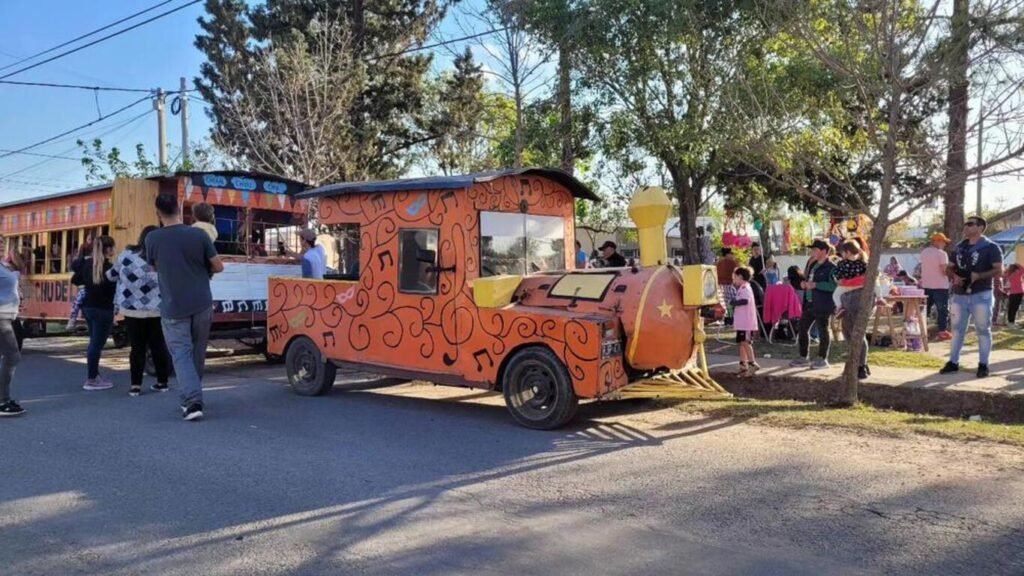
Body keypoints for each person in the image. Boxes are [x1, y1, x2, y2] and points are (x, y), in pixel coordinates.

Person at [147, 193, 225, 421]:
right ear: (180, 210)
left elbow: (154, 268)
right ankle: (191, 398)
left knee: (181, 354)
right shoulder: (199, 234)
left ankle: (192, 401)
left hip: (173, 304)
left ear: (158, 213)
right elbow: (218, 267)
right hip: (201, 302)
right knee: (197, 353)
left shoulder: (153, 238)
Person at [107, 226, 170, 397]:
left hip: (132, 309)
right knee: (158, 346)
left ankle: (135, 385)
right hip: (157, 309)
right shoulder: (163, 258)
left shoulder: (126, 256)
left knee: (137, 348)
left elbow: (111, 275)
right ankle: (162, 382)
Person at [941, 215, 1003, 378]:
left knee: (983, 330)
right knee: (957, 330)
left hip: (981, 294)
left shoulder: (991, 247)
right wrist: (953, 277)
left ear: (981, 227)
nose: (966, 227)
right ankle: (953, 362)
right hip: (959, 295)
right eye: (965, 224)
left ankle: (983, 365)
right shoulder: (959, 247)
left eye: (970, 224)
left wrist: (979, 275)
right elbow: (949, 268)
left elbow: (999, 270)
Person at [71, 236, 117, 391]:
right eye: (113, 247)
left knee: (93, 342)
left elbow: (75, 280)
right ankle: (91, 379)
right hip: (104, 309)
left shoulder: (86, 264)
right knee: (97, 345)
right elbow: (114, 288)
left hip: (88, 307)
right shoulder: (109, 267)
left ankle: (95, 375)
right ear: (108, 249)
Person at [791, 239, 837, 369]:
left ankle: (822, 358)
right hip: (809, 303)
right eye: (813, 250)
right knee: (802, 328)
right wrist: (804, 284)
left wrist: (817, 285)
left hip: (823, 304)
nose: (813, 252)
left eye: (815, 249)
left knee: (823, 331)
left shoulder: (832, 268)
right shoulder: (813, 265)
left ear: (824, 251)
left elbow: (834, 286)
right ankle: (803, 356)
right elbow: (808, 279)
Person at [0, 238, 24, 416]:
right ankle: (2, 400)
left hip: (9, 315)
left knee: (10, 356)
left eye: (2, 241)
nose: (1, 245)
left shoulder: (3, 265)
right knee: (12, 356)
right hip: (1, 317)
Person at [920, 233, 952, 340]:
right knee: (942, 309)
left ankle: (920, 328)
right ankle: (942, 331)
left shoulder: (924, 252)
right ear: (937, 241)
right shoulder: (942, 254)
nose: (944, 244)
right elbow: (944, 271)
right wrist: (952, 274)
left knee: (925, 309)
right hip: (940, 285)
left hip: (927, 284)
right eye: (943, 242)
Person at [731, 266, 760, 376]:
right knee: (742, 343)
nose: (734, 280)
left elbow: (745, 301)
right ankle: (743, 364)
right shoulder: (742, 288)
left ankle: (752, 363)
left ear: (740, 277)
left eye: (735, 278)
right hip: (741, 322)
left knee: (746, 342)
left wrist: (734, 302)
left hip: (746, 322)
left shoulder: (745, 288)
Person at [66, 233, 94, 332]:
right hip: (93, 288)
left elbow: (73, 275)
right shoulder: (95, 262)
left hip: (82, 287)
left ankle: (72, 319)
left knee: (77, 303)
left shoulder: (77, 262)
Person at [833, 240, 868, 319]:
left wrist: (838, 279)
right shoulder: (862, 262)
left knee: (835, 295)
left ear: (848, 252)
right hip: (860, 284)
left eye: (842, 252)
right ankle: (880, 297)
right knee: (876, 284)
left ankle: (839, 307)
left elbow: (837, 273)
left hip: (847, 285)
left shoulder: (842, 263)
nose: (841, 254)